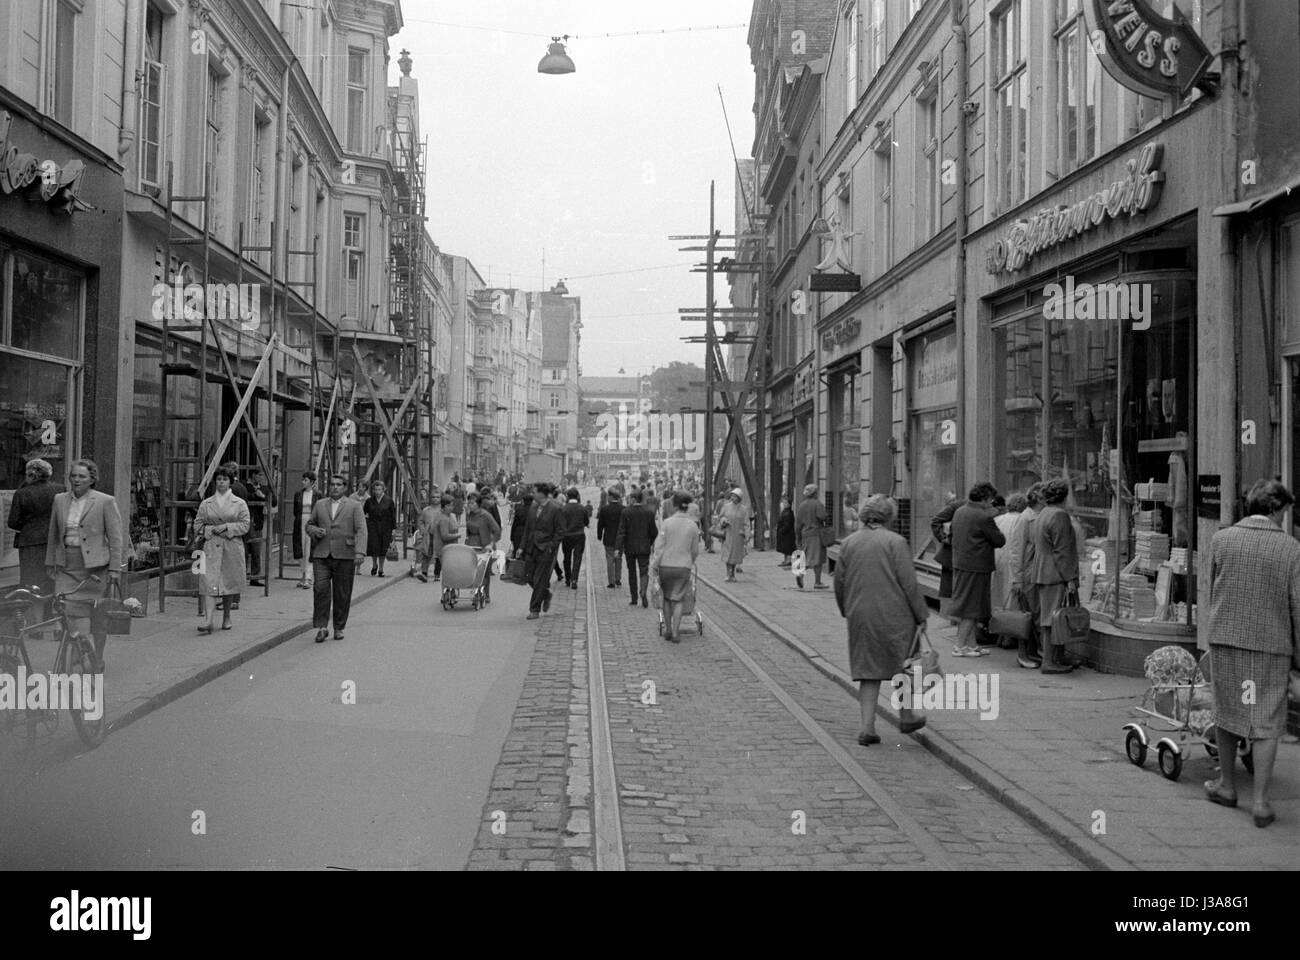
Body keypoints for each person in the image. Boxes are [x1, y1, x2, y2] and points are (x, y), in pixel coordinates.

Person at [1203, 479, 1300, 828]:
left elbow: (1211, 590)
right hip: (1270, 647)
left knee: (1228, 710)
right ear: (1274, 509)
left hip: (1226, 639)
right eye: (1284, 512)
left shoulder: (1221, 539)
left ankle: (1227, 786)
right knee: (1267, 721)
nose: (1284, 518)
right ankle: (1260, 802)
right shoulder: (1291, 549)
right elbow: (1297, 607)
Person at [834, 495, 929, 744]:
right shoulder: (896, 542)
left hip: (861, 614)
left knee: (868, 670)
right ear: (889, 517)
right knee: (903, 665)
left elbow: (839, 581)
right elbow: (909, 583)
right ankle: (906, 716)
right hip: (896, 615)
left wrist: (846, 609)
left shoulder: (849, 542)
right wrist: (921, 614)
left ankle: (867, 727)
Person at [44, 459, 125, 668]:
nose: (76, 480)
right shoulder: (59, 500)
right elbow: (53, 534)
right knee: (65, 610)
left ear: (92, 479)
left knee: (97, 616)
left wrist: (115, 569)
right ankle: (70, 654)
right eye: (73, 476)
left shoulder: (105, 501)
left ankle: (97, 657)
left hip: (95, 568)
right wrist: (50, 562)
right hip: (66, 566)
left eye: (82, 476)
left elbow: (116, 538)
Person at [306, 473, 368, 643]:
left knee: (342, 592)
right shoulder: (320, 504)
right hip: (322, 554)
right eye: (332, 484)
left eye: (339, 484)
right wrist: (315, 531)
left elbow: (361, 530)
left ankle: (339, 627)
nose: (335, 487)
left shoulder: (354, 506)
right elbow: (309, 524)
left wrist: (360, 552)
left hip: (345, 555)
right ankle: (322, 627)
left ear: (345, 487)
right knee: (320, 589)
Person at [1028, 478, 1079, 673]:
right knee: (1053, 618)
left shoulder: (1043, 513)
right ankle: (1049, 661)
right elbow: (1062, 551)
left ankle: (1057, 656)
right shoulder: (1059, 515)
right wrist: (1070, 578)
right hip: (1056, 573)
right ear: (1064, 496)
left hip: (1044, 570)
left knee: (1054, 616)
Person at [192, 466, 251, 634]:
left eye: (225, 479)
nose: (221, 482)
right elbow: (197, 524)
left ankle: (226, 616)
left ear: (230, 482)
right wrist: (208, 530)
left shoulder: (239, 503)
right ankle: (208, 619)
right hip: (210, 546)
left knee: (227, 581)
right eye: (218, 479)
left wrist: (227, 527)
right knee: (207, 581)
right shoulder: (206, 503)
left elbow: (245, 524)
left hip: (231, 545)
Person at [949, 482, 1004, 658]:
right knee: (972, 608)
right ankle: (959, 645)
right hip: (977, 566)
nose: (991, 503)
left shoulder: (960, 511)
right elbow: (999, 540)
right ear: (984, 499)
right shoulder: (983, 516)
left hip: (961, 562)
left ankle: (971, 645)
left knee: (970, 606)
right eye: (990, 500)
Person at [7, 458, 61, 617]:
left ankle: (33, 621)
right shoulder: (60, 489)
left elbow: (13, 522)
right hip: (53, 541)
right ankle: (49, 616)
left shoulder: (22, 493)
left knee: (30, 581)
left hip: (30, 543)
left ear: (30, 474)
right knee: (51, 579)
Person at [650, 491, 702, 643]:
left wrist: (655, 565)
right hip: (683, 567)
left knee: (666, 598)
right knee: (678, 600)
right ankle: (675, 632)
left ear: (675, 506)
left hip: (666, 565)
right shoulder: (693, 526)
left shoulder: (667, 523)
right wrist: (690, 560)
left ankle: (667, 629)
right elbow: (695, 550)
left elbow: (659, 547)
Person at [1012, 483, 1045, 668]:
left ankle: (1033, 652)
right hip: (1028, 572)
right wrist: (1017, 578)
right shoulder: (1025, 519)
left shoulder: (1040, 517)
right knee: (1027, 615)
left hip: (1037, 571)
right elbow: (1017, 550)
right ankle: (1023, 654)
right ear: (1037, 498)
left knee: (1035, 615)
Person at [525, 481, 563, 620]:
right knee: (527, 576)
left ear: (541, 493)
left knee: (540, 579)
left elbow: (560, 531)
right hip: (531, 547)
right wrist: (521, 547)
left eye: (534, 491)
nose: (532, 494)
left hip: (545, 549)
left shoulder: (555, 508)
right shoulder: (533, 508)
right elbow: (527, 529)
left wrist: (551, 546)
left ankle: (534, 609)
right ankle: (545, 594)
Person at [616, 489, 658, 608]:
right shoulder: (649, 512)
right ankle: (643, 590)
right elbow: (654, 532)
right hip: (644, 547)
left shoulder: (626, 512)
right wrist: (649, 542)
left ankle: (634, 598)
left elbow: (621, 532)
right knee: (644, 570)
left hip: (630, 547)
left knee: (632, 572)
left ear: (634, 499)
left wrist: (618, 548)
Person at [463, 492, 501, 604]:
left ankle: (486, 594)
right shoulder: (469, 514)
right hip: (471, 544)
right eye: (468, 503)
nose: (469, 505)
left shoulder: (486, 515)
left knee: (484, 571)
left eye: (472, 503)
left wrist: (491, 543)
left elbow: (497, 529)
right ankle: (475, 591)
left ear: (478, 504)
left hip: (484, 545)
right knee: (473, 570)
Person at [245, 470, 276, 587]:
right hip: (245, 521)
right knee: (245, 550)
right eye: (259, 475)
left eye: (262, 475)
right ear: (253, 475)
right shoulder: (246, 486)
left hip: (257, 522)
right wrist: (255, 495)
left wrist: (262, 496)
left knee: (256, 550)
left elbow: (274, 501)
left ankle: (255, 577)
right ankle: (243, 575)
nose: (261, 478)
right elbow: (245, 497)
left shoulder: (264, 488)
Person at [794, 484, 827, 589]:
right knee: (816, 558)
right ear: (815, 493)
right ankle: (801, 574)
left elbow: (798, 524)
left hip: (805, 534)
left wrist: (798, 537)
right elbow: (822, 517)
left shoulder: (801, 506)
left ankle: (818, 581)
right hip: (816, 534)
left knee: (810, 556)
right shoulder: (817, 504)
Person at [364, 479, 397, 577]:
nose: (377, 492)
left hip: (385, 527)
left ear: (383, 490)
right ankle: (374, 565)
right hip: (373, 527)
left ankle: (381, 569)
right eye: (375, 489)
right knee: (374, 547)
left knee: (383, 548)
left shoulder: (389, 501)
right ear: (373, 490)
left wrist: (393, 529)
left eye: (379, 489)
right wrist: (367, 523)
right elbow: (364, 512)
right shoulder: (369, 501)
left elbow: (393, 516)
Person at [292, 471, 318, 589]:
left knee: (309, 549)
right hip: (300, 522)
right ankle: (302, 575)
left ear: (312, 482)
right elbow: (295, 511)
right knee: (300, 548)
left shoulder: (318, 495)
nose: (303, 482)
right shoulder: (298, 494)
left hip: (311, 523)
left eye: (306, 480)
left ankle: (308, 577)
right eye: (303, 480)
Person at [560, 487, 589, 589]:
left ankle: (568, 578)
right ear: (577, 496)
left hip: (566, 536)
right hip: (579, 536)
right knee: (577, 558)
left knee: (567, 558)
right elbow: (586, 522)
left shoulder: (564, 508)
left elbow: (560, 524)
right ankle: (574, 580)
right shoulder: (582, 508)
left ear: (567, 496)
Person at [597, 489, 625, 588]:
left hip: (608, 538)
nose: (607, 498)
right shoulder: (623, 509)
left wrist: (599, 535)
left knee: (609, 560)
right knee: (618, 558)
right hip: (620, 540)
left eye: (608, 496)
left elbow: (600, 524)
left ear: (612, 497)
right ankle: (618, 579)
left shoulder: (605, 509)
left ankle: (611, 581)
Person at [511, 490, 534, 558]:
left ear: (523, 501)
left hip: (518, 532)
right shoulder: (534, 510)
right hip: (530, 533)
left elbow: (514, 524)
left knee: (517, 553)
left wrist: (512, 537)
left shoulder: (519, 509)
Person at [775, 495, 796, 568]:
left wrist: (781, 530)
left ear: (789, 504)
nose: (783, 504)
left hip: (787, 534)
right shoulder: (785, 511)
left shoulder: (788, 513)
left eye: (785, 502)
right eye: (783, 502)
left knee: (788, 548)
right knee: (785, 548)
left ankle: (788, 561)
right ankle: (786, 560)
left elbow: (787, 525)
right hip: (785, 534)